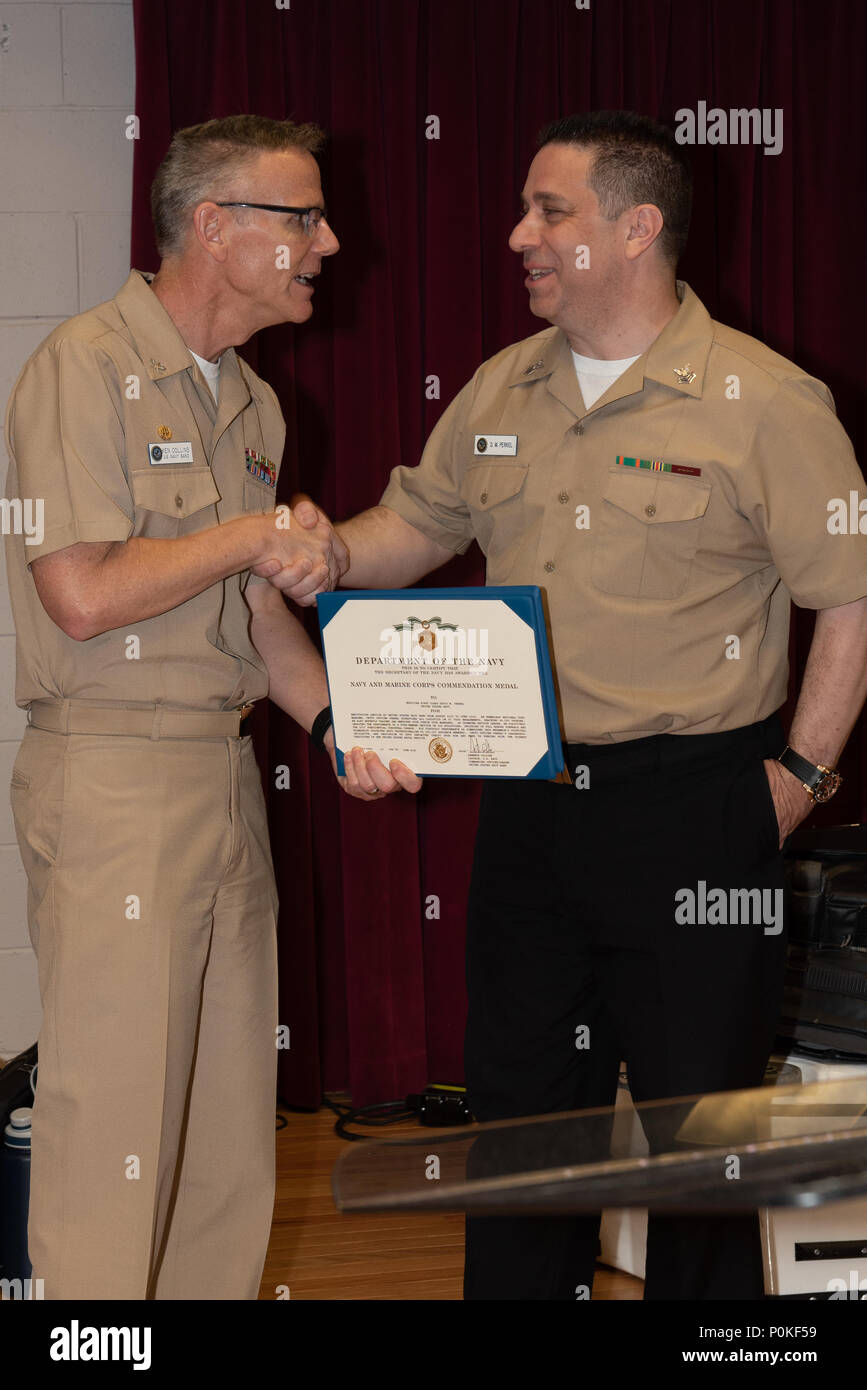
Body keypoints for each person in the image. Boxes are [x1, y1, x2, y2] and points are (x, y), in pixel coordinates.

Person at [292, 110, 867, 1299]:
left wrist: (799, 778)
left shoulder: (765, 401)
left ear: (639, 225)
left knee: (701, 1146)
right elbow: (416, 524)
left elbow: (853, 594)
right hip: (536, 814)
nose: (520, 236)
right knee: (523, 1129)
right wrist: (320, 556)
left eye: (551, 211)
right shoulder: (506, 385)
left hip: (700, 809)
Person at [3, 114, 420, 1301]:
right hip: (114, 776)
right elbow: (82, 593)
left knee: (228, 1131)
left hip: (222, 774)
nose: (329, 243)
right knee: (115, 1126)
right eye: (303, 219)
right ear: (214, 224)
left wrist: (340, 727)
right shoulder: (81, 366)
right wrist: (248, 533)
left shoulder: (252, 402)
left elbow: (259, 617)